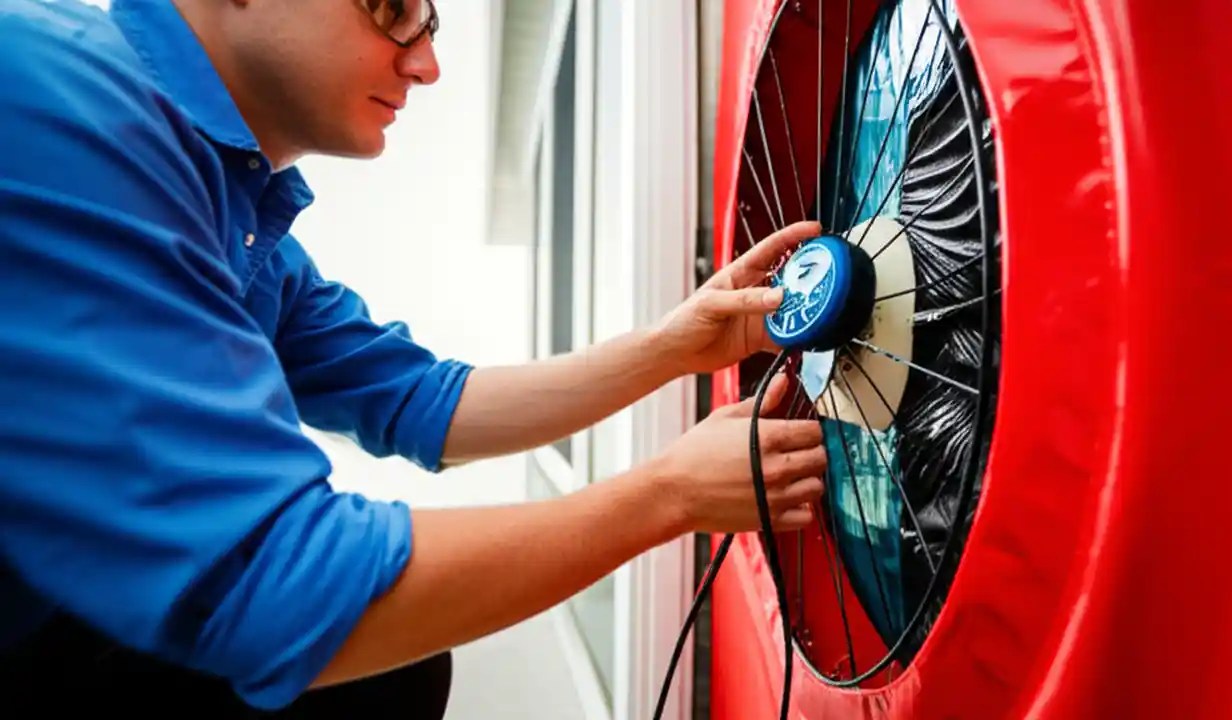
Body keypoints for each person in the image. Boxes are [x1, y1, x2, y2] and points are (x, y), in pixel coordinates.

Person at [0, 0, 827, 716]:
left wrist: (674, 347)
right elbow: (272, 586)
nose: (427, 65)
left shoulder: (244, 226)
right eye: (391, 9)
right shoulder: (55, 98)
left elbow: (425, 402)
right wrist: (670, 495)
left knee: (391, 679)